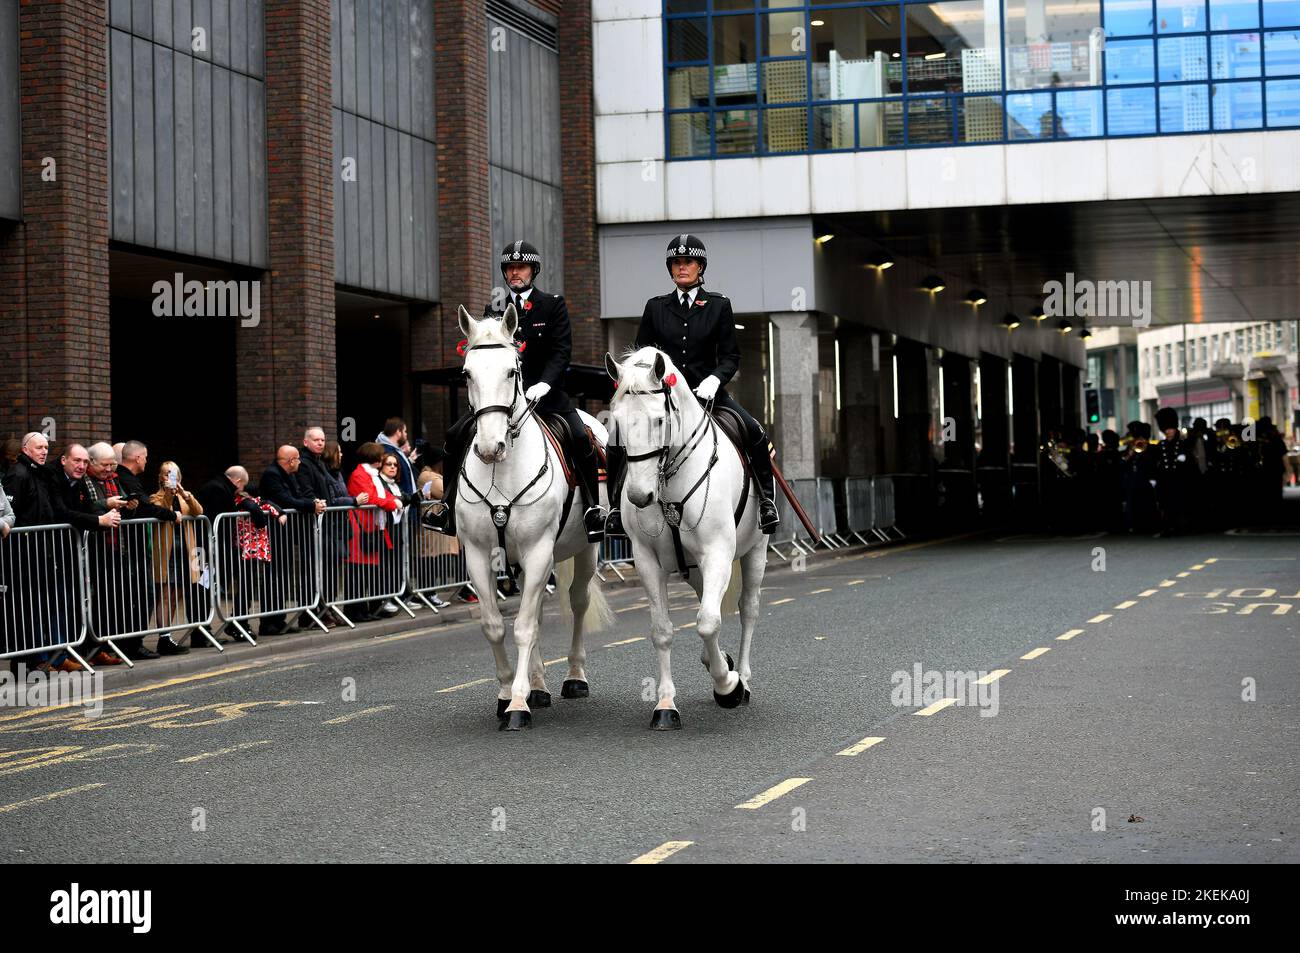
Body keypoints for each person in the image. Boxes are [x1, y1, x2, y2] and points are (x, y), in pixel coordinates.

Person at [426, 239, 606, 543]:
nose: (514, 272)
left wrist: (545, 383)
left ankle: (593, 509)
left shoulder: (553, 304)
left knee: (579, 437)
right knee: (455, 435)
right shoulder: (492, 309)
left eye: (521, 267)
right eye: (509, 267)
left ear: (532, 270)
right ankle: (447, 507)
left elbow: (561, 351)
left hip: (545, 398)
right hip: (500, 401)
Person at [606, 233, 781, 536]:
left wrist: (714, 379)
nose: (681, 267)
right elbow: (642, 356)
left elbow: (730, 356)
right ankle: (615, 508)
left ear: (700, 267)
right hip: (663, 398)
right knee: (620, 436)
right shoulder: (656, 307)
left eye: (688, 262)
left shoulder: (718, 305)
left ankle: (766, 502)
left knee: (754, 431)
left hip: (708, 394)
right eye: (676, 262)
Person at [259, 446, 327, 633]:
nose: (300, 462)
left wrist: (313, 502)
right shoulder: (272, 475)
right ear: (290, 461)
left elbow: (297, 495)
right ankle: (268, 622)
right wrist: (311, 506)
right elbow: (285, 500)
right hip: (274, 532)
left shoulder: (288, 474)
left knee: (283, 576)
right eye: (298, 459)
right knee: (274, 577)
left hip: (285, 532)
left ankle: (279, 619)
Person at [148, 462, 204, 655]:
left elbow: (198, 511)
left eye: (173, 475)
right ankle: (163, 637)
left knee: (175, 596)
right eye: (165, 474)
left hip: (185, 552)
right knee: (165, 595)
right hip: (166, 552)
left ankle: (167, 636)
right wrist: (169, 493)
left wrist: (184, 494)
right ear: (160, 478)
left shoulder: (184, 496)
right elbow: (161, 509)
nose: (169, 478)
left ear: (179, 478)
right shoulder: (155, 497)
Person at [345, 442, 403, 621]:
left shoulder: (372, 474)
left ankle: (367, 609)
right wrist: (393, 503)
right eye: (380, 456)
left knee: (369, 572)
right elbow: (372, 497)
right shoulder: (359, 474)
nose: (383, 459)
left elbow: (382, 495)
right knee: (358, 572)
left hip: (371, 527)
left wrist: (396, 499)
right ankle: (355, 611)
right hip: (360, 528)